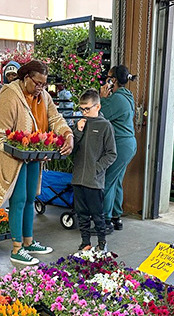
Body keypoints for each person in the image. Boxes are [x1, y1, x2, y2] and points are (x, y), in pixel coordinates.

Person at [0, 60, 74, 266]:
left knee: (29, 198)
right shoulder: (10, 96)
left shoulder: (43, 97)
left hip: (34, 156)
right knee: (18, 200)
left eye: (44, 84)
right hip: (13, 158)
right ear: (26, 78)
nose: (41, 88)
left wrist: (67, 134)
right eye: (37, 83)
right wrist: (17, 148)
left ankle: (28, 242)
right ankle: (17, 248)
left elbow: (55, 118)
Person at [71, 89, 117, 253]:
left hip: (94, 181)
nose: (84, 112)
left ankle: (102, 243)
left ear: (97, 106)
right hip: (78, 179)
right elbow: (71, 149)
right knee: (81, 214)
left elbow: (112, 154)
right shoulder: (80, 124)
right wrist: (77, 132)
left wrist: (96, 169)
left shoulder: (105, 126)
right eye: (82, 109)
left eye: (87, 109)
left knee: (98, 215)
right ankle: (85, 243)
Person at [100, 65, 138, 234]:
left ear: (113, 80)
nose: (106, 79)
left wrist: (102, 97)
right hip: (128, 144)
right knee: (116, 180)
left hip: (121, 144)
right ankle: (116, 217)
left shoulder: (117, 99)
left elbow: (102, 114)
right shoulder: (126, 96)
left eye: (108, 77)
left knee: (108, 180)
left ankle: (105, 220)